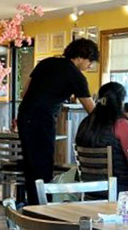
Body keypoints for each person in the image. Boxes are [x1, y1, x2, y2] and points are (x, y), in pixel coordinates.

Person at [17, 37, 98, 204]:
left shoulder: (47, 63)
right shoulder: (76, 76)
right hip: (42, 119)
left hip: (25, 115)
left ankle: (33, 204)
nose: (89, 66)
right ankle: (41, 207)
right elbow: (92, 110)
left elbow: (24, 92)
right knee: (43, 165)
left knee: (31, 163)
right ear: (81, 56)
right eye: (90, 62)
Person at [76, 82, 128, 192]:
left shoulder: (85, 123)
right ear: (121, 102)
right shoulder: (121, 124)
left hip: (88, 190)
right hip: (120, 190)